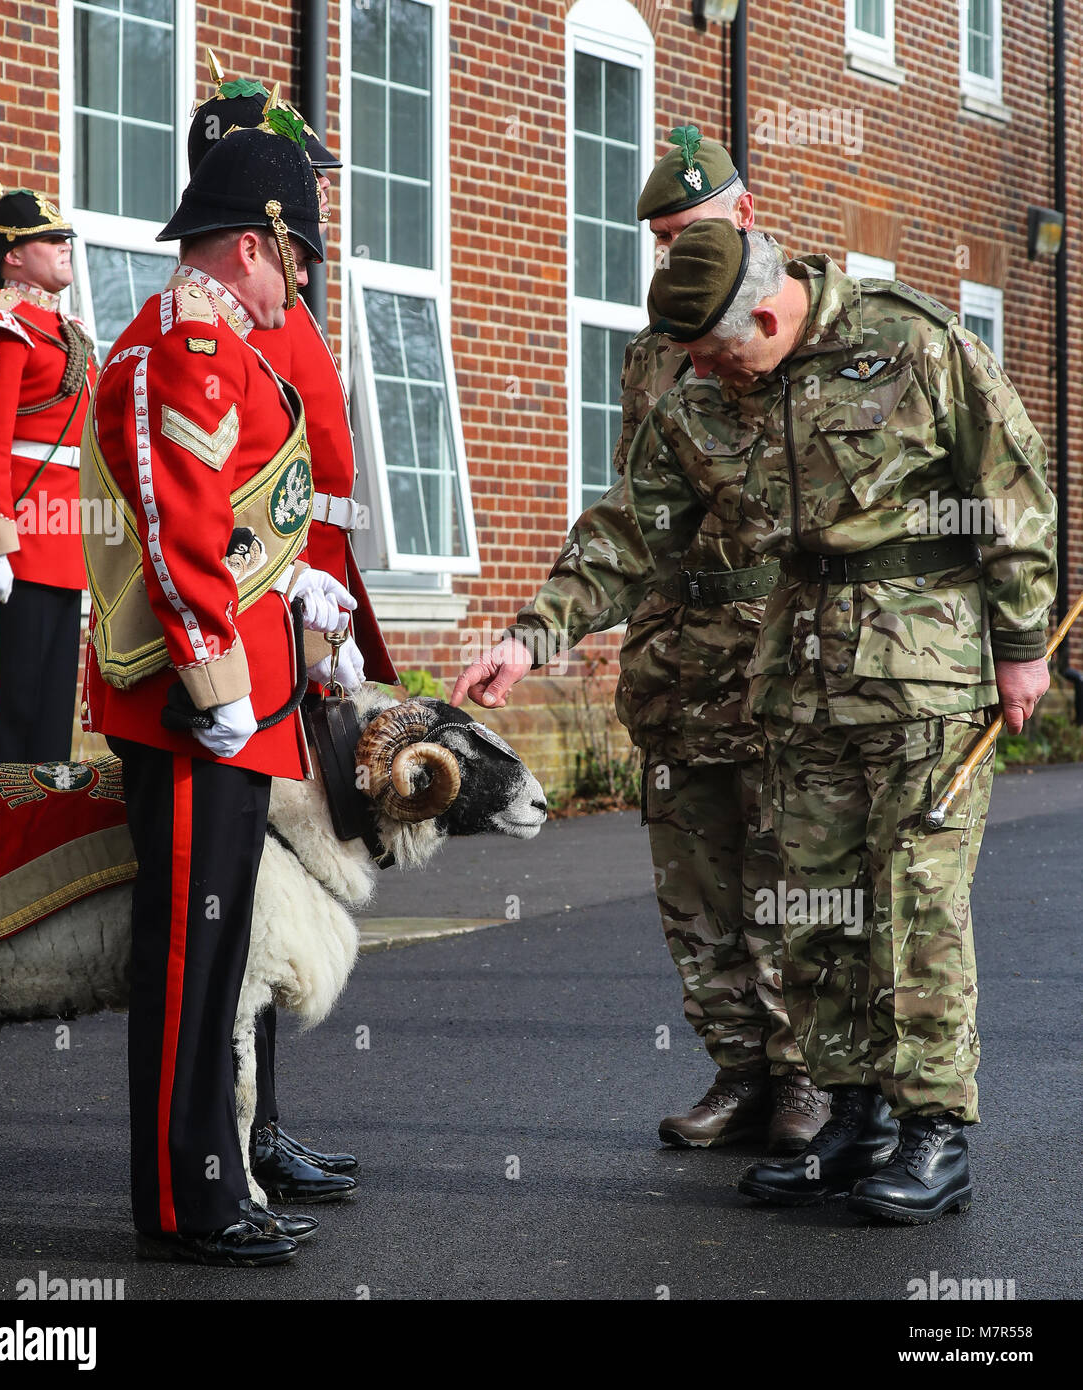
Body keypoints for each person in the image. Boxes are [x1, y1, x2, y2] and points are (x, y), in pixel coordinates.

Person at [468, 220, 1056, 1224]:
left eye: (714, 351)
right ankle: (855, 1116)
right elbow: (632, 526)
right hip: (798, 681)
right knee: (814, 908)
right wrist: (531, 636)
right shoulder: (709, 388)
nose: (700, 371)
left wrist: (1022, 642)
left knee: (909, 905)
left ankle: (932, 1134)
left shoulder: (911, 344)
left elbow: (1010, 486)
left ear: (771, 315)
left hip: (921, 676)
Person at [453, 129, 828, 1154]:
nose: (669, 258)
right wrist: (537, 634)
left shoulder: (798, 330)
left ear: (743, 218)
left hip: (776, 652)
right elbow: (632, 513)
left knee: (786, 868)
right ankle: (738, 1068)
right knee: (694, 881)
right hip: (678, 651)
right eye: (661, 240)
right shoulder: (650, 350)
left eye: (687, 233)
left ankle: (806, 1078)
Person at [81, 120, 353, 1264]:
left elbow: (236, 518)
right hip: (203, 709)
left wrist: (294, 594)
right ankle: (189, 1197)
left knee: (217, 952)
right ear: (255, 244)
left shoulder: (219, 344)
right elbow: (178, 520)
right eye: (295, 262)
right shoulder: (186, 346)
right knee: (191, 958)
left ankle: (210, 1179)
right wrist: (214, 672)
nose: (299, 284)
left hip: (235, 697)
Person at [186, 57, 397, 1202]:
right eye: (297, 186)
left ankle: (263, 1126)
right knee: (257, 888)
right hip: (268, 626)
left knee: (284, 885)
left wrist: (334, 613)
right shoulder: (236, 316)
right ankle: (242, 1136)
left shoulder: (286, 307)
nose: (314, 204)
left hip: (307, 616)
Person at [0, 179, 96, 762]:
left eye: (65, 235)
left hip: (63, 548)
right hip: (18, 548)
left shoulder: (70, 332)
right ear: (12, 255)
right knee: (7, 720)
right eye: (49, 237)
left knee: (51, 728)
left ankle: (35, 847)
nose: (65, 245)